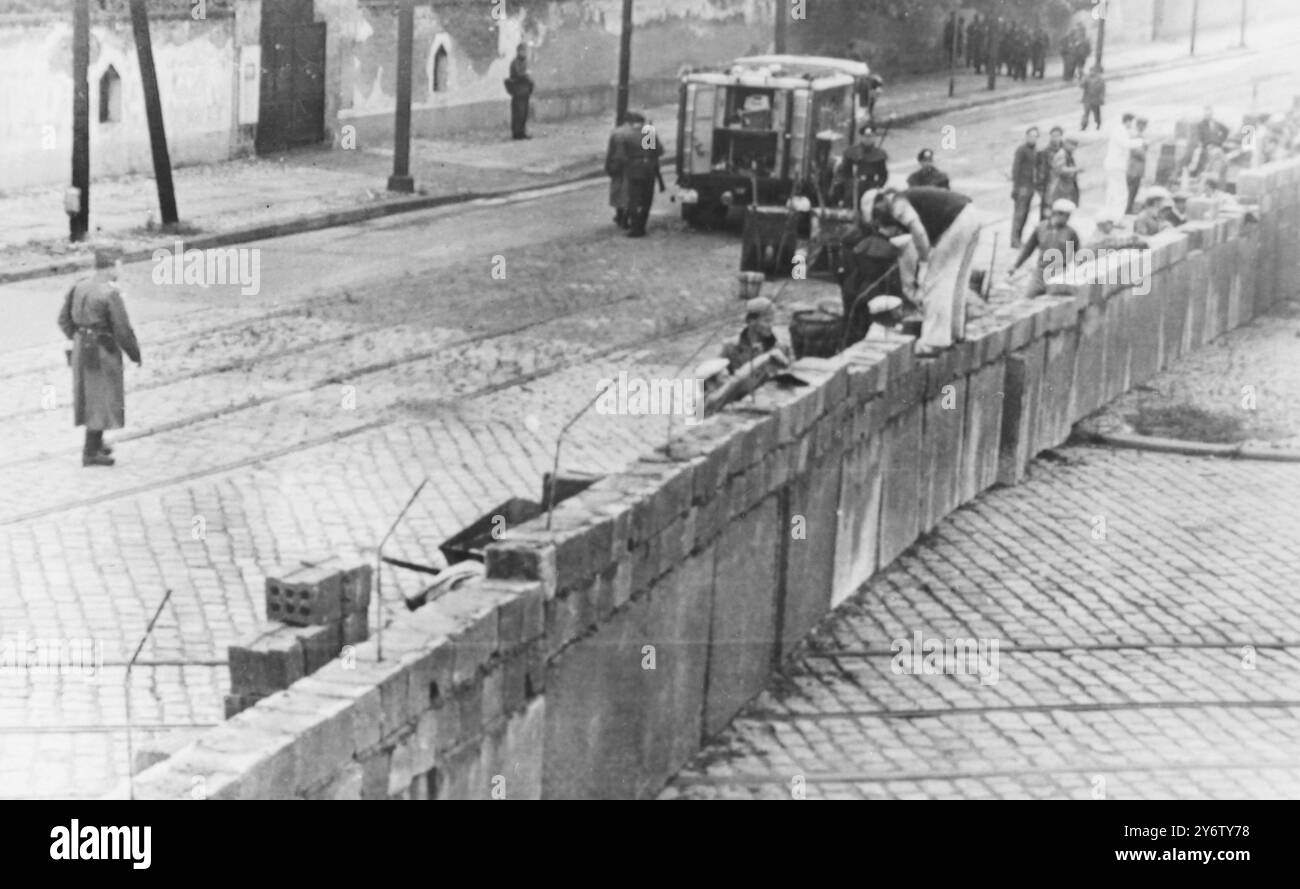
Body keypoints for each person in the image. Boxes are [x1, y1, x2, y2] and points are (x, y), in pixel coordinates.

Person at [860, 186, 983, 356]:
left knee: (937, 281)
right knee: (957, 281)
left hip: (956, 221)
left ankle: (934, 341)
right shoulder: (905, 199)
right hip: (970, 215)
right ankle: (955, 332)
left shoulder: (897, 203)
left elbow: (918, 230)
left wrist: (926, 261)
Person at [57, 247, 141, 467]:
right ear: (110, 267)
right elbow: (123, 329)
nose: (120, 270)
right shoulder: (109, 293)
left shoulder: (79, 285)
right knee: (101, 396)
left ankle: (97, 442)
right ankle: (90, 451)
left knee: (88, 394)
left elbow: (63, 319)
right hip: (102, 350)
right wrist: (134, 354)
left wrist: (78, 337)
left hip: (81, 347)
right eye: (118, 266)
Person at [1007, 198, 1081, 299]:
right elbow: (1028, 249)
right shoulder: (1040, 229)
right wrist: (1015, 266)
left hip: (1059, 274)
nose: (1068, 218)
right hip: (1040, 273)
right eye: (1066, 215)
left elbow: (1078, 255)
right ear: (1057, 214)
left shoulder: (1071, 233)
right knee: (1028, 298)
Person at [616, 114, 665, 238]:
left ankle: (635, 228)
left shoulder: (625, 135)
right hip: (649, 170)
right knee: (646, 200)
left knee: (634, 200)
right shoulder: (648, 131)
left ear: (632, 123)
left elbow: (621, 157)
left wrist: (630, 164)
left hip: (634, 170)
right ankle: (642, 227)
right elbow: (659, 151)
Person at [722, 296, 792, 373]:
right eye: (767, 321)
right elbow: (712, 377)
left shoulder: (781, 346)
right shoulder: (731, 347)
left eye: (772, 320)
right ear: (751, 321)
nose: (771, 325)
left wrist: (786, 364)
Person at [605, 111, 643, 229]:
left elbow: (611, 152)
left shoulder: (616, 132)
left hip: (618, 166)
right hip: (634, 167)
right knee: (630, 194)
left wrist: (608, 167)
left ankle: (620, 216)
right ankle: (628, 219)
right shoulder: (643, 132)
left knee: (618, 193)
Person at [1010, 126, 1040, 248]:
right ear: (1026, 136)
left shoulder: (1034, 151)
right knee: (1019, 214)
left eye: (1035, 136)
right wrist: (1016, 188)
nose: (1033, 138)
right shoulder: (1021, 150)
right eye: (1031, 136)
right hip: (1022, 187)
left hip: (1030, 187)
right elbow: (1015, 170)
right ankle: (1015, 240)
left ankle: (1018, 239)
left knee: (1025, 214)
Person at [1103, 112, 1136, 220]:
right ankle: (1117, 218)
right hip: (1116, 165)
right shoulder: (1120, 130)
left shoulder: (1119, 130)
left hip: (1113, 165)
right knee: (1121, 193)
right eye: (1132, 122)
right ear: (1128, 121)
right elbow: (1126, 144)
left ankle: (1110, 217)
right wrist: (1141, 142)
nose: (1132, 125)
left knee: (1112, 191)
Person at [505, 43, 533, 140]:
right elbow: (518, 74)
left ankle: (522, 132)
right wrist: (526, 75)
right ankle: (516, 133)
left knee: (524, 113)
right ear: (518, 51)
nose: (524, 53)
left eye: (525, 51)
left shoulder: (524, 62)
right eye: (522, 51)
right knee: (518, 112)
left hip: (524, 91)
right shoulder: (515, 62)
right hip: (518, 90)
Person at [1036, 126, 1064, 219]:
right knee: (1047, 212)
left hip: (1062, 186)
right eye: (1053, 136)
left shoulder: (1065, 151)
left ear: (1061, 136)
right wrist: (1040, 189)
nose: (1055, 138)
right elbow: (1041, 172)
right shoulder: (1044, 152)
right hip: (1049, 186)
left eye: (1058, 135)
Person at [1125, 116, 1149, 215]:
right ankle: (1127, 208)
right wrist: (1144, 151)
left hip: (1137, 168)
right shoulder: (1135, 135)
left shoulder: (1139, 135)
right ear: (1138, 124)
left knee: (1134, 189)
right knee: (1131, 190)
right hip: (1133, 168)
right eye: (1142, 125)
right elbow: (1136, 151)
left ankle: (1129, 207)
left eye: (1144, 125)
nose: (1143, 127)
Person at [1048, 136, 1081, 206]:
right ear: (1066, 144)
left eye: (1075, 145)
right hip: (1060, 186)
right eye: (1071, 144)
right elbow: (1060, 169)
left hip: (1066, 186)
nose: (1073, 147)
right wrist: (1076, 169)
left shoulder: (1068, 155)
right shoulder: (1062, 154)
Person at [1080, 65, 1105, 131]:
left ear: (1096, 72)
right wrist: (1082, 79)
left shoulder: (1100, 79)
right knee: (1086, 114)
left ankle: (1098, 124)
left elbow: (1102, 90)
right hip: (1087, 99)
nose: (1092, 72)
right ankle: (1083, 126)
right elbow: (1081, 86)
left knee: (1097, 113)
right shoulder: (1086, 78)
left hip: (1096, 99)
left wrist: (1102, 98)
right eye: (1091, 71)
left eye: (1093, 71)